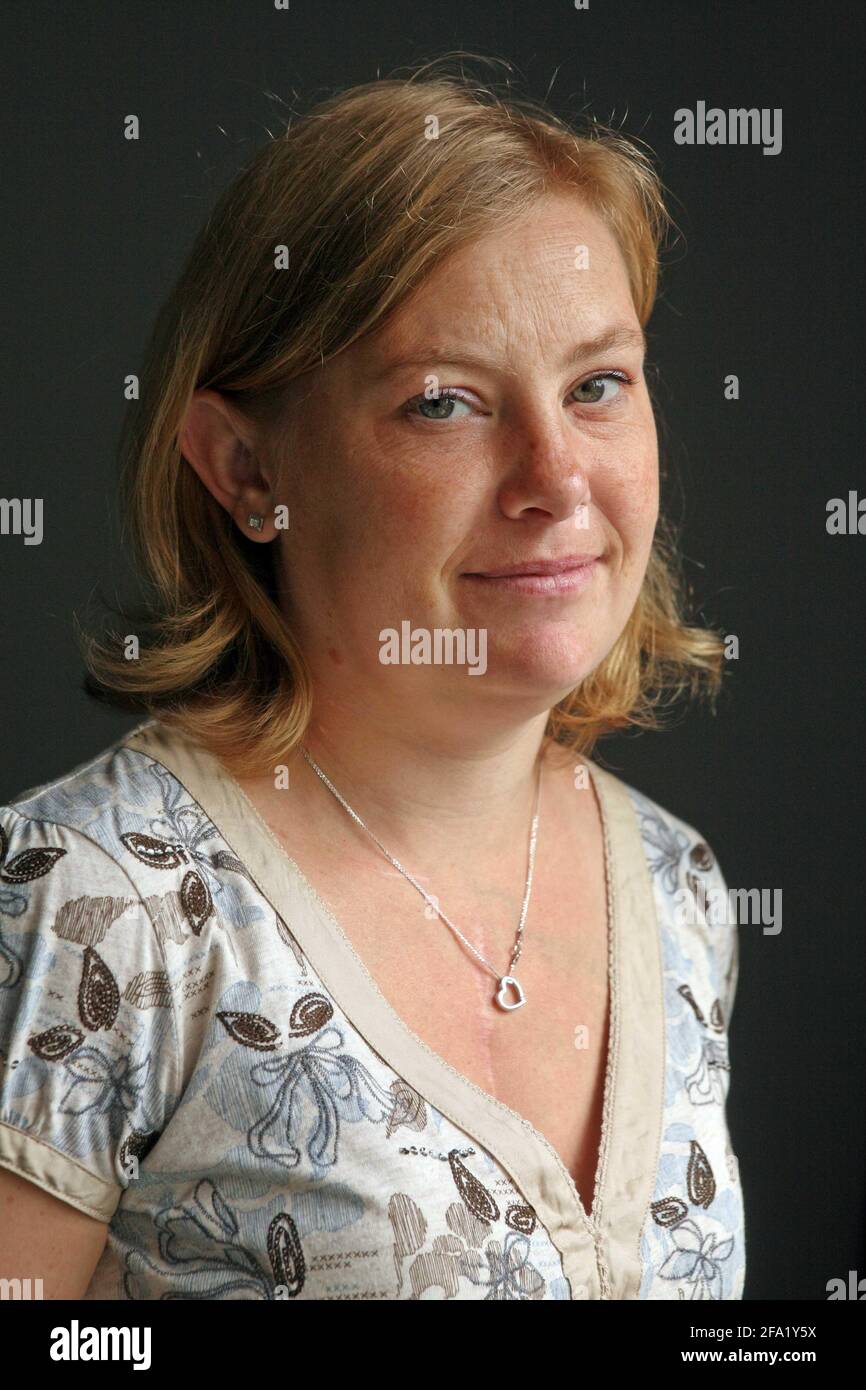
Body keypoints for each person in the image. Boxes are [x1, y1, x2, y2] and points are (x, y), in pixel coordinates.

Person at [0, 59, 744, 1300]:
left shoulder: (677, 886)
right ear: (244, 470)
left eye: (596, 385)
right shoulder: (88, 905)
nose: (555, 478)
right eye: (443, 403)